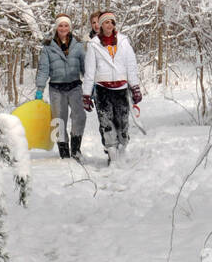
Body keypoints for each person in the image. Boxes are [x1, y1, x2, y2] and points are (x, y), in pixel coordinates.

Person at [82, 11, 142, 162]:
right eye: (106, 22)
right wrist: (86, 95)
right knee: (106, 124)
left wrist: (135, 87)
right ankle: (112, 157)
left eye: (112, 22)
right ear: (101, 25)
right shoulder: (93, 44)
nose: (109, 25)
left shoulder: (123, 42)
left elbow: (131, 65)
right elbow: (89, 72)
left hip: (121, 89)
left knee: (123, 123)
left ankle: (122, 150)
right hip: (102, 90)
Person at [35, 15, 87, 159]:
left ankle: (76, 149)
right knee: (59, 120)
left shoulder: (78, 45)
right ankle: (64, 153)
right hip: (56, 88)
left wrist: (91, 86)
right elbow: (44, 69)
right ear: (56, 28)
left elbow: (85, 68)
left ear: (70, 27)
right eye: (60, 26)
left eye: (66, 25)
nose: (63, 28)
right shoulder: (48, 46)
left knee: (80, 116)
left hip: (75, 86)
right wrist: (40, 88)